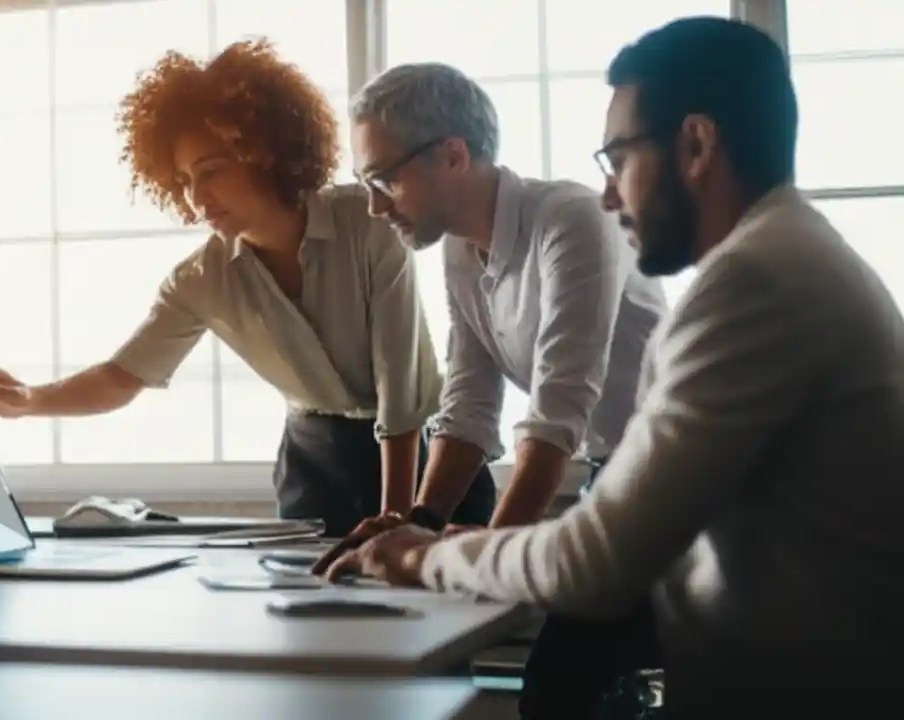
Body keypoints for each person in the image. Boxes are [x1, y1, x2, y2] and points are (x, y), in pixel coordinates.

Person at [327, 17, 904, 717]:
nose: (608, 196)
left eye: (619, 159)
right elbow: (474, 402)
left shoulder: (755, 281)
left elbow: (596, 561)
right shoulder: (785, 253)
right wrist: (424, 525)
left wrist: (423, 558)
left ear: (696, 145)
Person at [0, 40, 495, 538]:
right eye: (184, 181)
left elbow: (399, 389)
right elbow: (120, 378)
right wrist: (27, 401)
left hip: (426, 466)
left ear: (267, 152)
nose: (196, 198)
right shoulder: (200, 279)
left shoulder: (369, 217)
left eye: (211, 171)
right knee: (312, 610)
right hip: (315, 468)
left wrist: (397, 520)